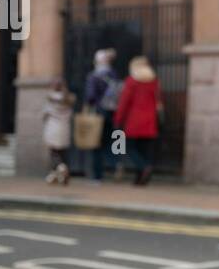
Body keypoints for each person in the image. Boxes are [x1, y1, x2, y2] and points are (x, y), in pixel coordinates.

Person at [113, 55, 161, 186]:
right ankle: (140, 177)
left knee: (129, 148)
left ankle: (143, 167)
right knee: (144, 149)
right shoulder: (154, 82)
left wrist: (118, 119)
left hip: (134, 120)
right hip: (150, 120)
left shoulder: (131, 81)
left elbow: (124, 102)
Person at [82, 49, 121, 184]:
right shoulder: (113, 74)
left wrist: (87, 107)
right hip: (113, 112)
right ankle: (116, 165)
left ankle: (97, 176)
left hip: (99, 113)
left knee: (96, 144)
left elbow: (90, 96)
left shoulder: (94, 76)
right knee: (113, 141)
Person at [41, 77, 75, 185]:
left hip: (52, 127)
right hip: (64, 127)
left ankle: (61, 168)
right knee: (62, 152)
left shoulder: (50, 98)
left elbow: (44, 114)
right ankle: (56, 176)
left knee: (53, 152)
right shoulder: (69, 99)